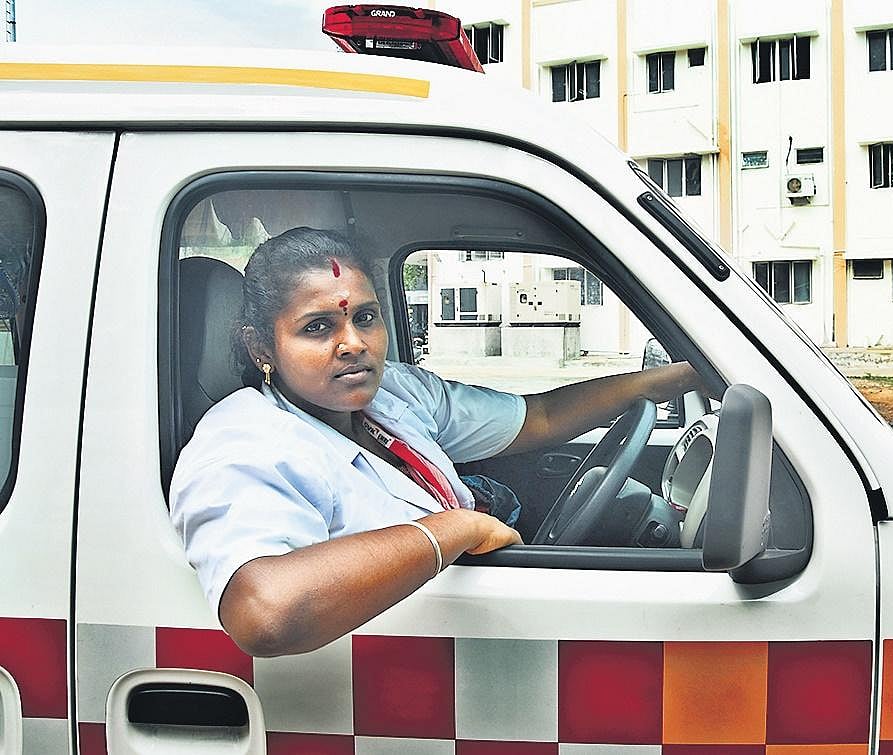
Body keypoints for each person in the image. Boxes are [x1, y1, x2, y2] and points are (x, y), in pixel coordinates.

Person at [170, 227, 707, 657]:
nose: (353, 343)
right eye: (317, 328)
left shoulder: (391, 394)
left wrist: (667, 380)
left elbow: (538, 417)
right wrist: (452, 529)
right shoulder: (242, 441)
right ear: (261, 344)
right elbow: (264, 612)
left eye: (365, 317)